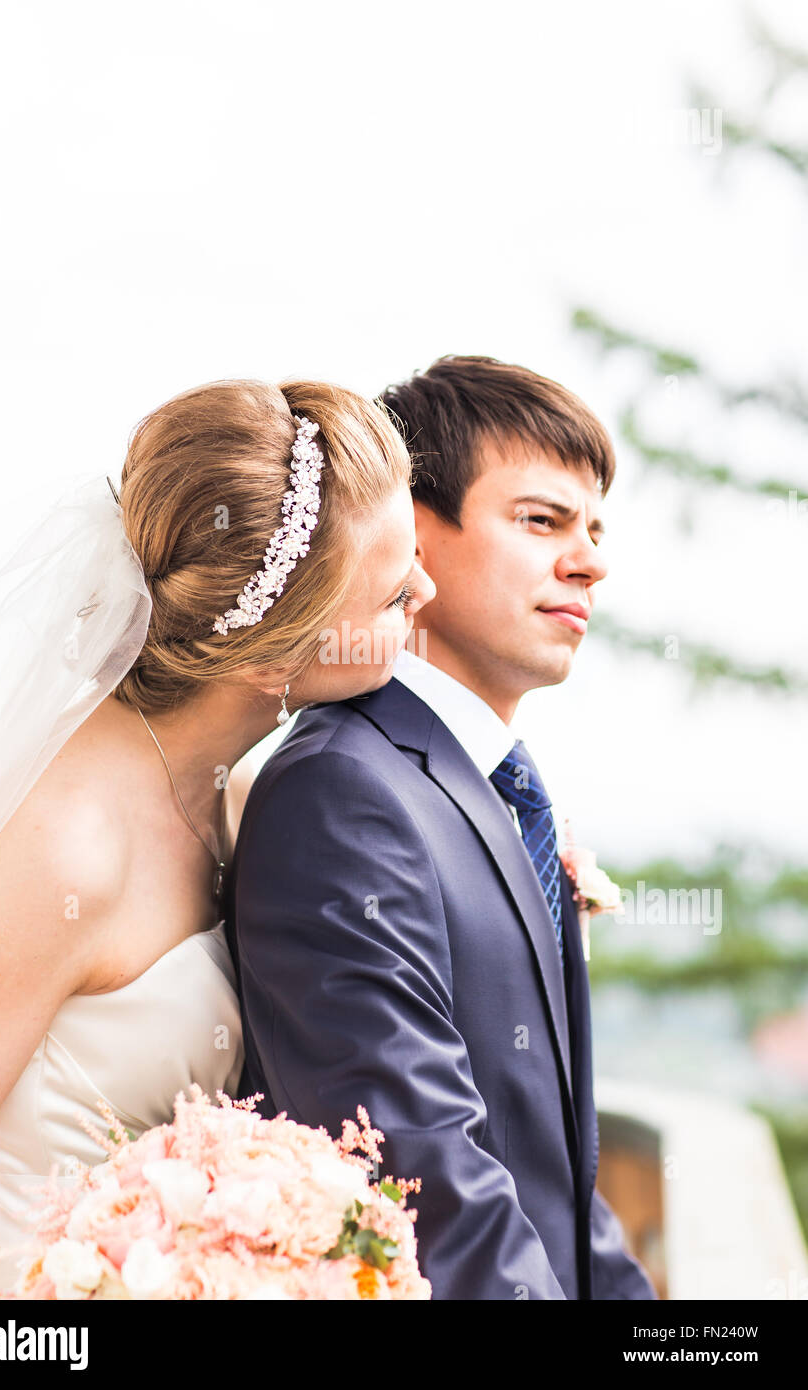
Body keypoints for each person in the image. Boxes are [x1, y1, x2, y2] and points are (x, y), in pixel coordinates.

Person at [0, 376, 434, 1292]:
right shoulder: (65, 848)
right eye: (397, 594)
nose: (429, 592)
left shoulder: (240, 799)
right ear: (277, 653)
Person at [227, 354, 658, 1300]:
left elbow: (556, 1177)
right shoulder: (342, 793)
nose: (588, 559)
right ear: (411, 539)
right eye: (541, 521)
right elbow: (419, 1182)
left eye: (592, 528)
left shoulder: (501, 786)